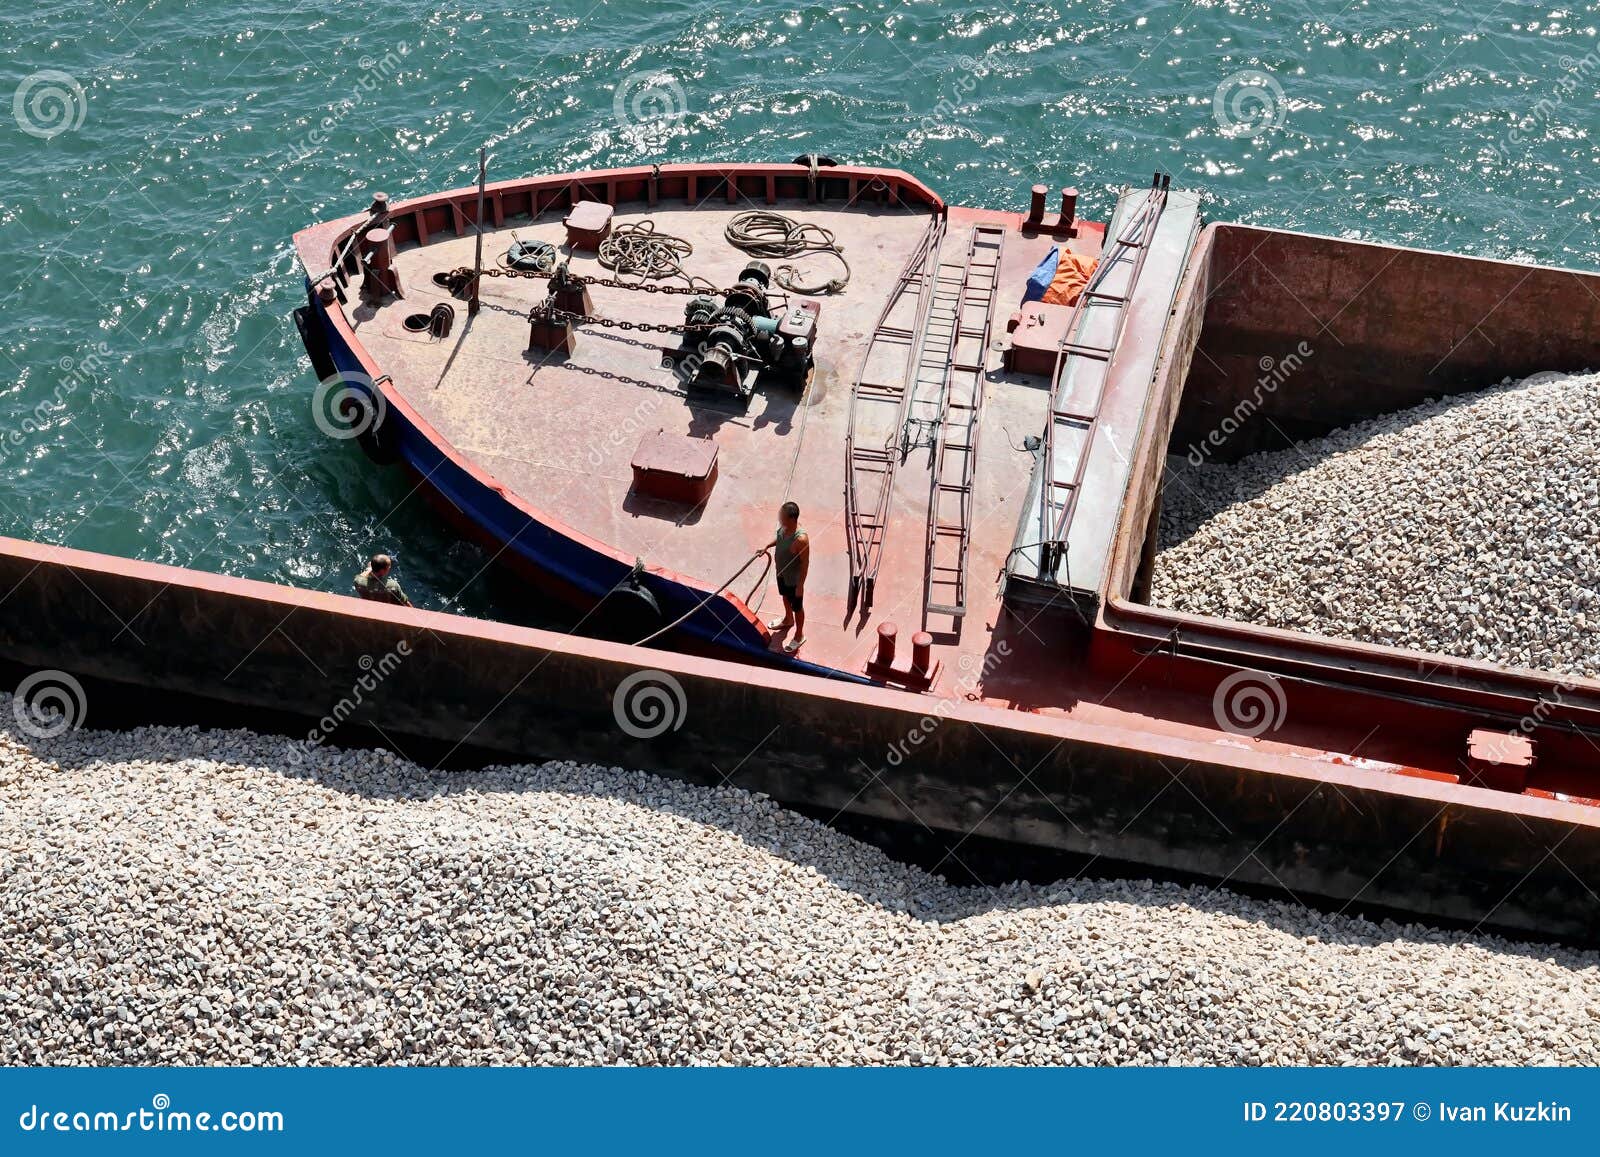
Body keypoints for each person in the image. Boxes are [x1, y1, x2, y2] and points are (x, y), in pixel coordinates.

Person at [759, 501, 808, 654]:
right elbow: (779, 539)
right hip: (781, 574)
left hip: (794, 580)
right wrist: (767, 546)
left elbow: (805, 563)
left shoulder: (801, 540)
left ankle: (799, 635)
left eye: (783, 517)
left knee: (797, 607)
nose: (780, 519)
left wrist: (800, 585)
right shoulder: (784, 528)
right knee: (785, 597)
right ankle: (788, 619)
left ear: (792, 519)